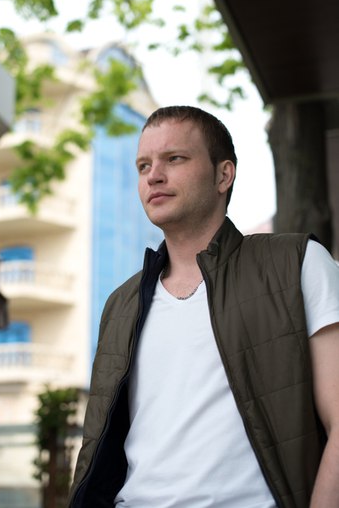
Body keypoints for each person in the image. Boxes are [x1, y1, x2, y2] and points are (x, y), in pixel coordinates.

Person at [68, 105, 339, 508]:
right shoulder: (122, 304)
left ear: (223, 175)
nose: (154, 176)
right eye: (143, 166)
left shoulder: (295, 262)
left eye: (174, 158)